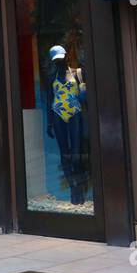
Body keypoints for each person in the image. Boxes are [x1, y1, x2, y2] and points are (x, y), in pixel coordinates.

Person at [46, 45, 89, 206]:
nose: (59, 62)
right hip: (58, 115)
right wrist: (49, 123)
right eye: (56, 60)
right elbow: (49, 100)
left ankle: (79, 188)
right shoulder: (52, 77)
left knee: (76, 153)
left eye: (60, 59)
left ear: (66, 57)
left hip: (75, 114)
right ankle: (73, 188)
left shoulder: (77, 73)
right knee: (64, 154)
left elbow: (84, 96)